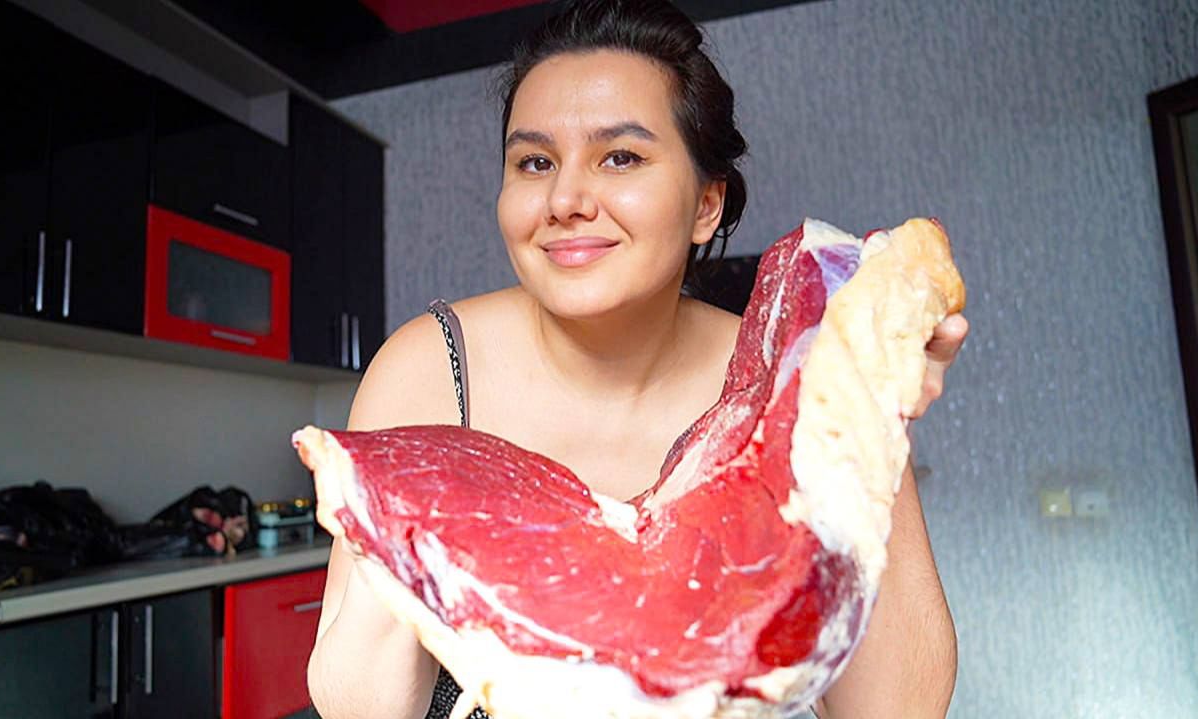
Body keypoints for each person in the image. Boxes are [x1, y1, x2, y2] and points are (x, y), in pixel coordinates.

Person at [306, 1, 967, 717]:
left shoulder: (790, 380)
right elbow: (354, 706)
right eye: (534, 162)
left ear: (707, 204)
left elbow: (897, 709)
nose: (564, 198)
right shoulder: (429, 369)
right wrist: (405, 515)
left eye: (620, 157)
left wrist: (869, 420)